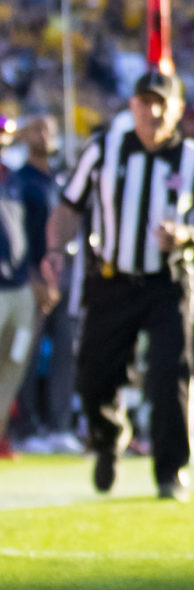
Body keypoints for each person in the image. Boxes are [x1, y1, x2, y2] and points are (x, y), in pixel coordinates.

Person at [49, 71, 194, 500]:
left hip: (169, 281)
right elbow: (69, 206)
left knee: (170, 375)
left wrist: (189, 235)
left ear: (178, 110)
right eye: (145, 102)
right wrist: (56, 250)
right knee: (93, 375)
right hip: (111, 279)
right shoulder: (103, 150)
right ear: (131, 107)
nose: (153, 112)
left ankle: (171, 471)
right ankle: (109, 435)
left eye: (161, 103)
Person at [13, 116, 79, 454]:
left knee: (66, 352)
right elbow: (16, 233)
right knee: (26, 352)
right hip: (32, 279)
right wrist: (33, 276)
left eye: (49, 130)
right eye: (37, 129)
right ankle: (27, 426)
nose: (44, 136)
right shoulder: (19, 181)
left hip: (64, 276)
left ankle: (59, 425)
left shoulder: (63, 181)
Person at [0, 116, 57, 455]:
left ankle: (1, 433)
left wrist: (36, 276)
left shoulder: (14, 178)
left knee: (14, 360)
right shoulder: (18, 178)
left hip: (19, 284)